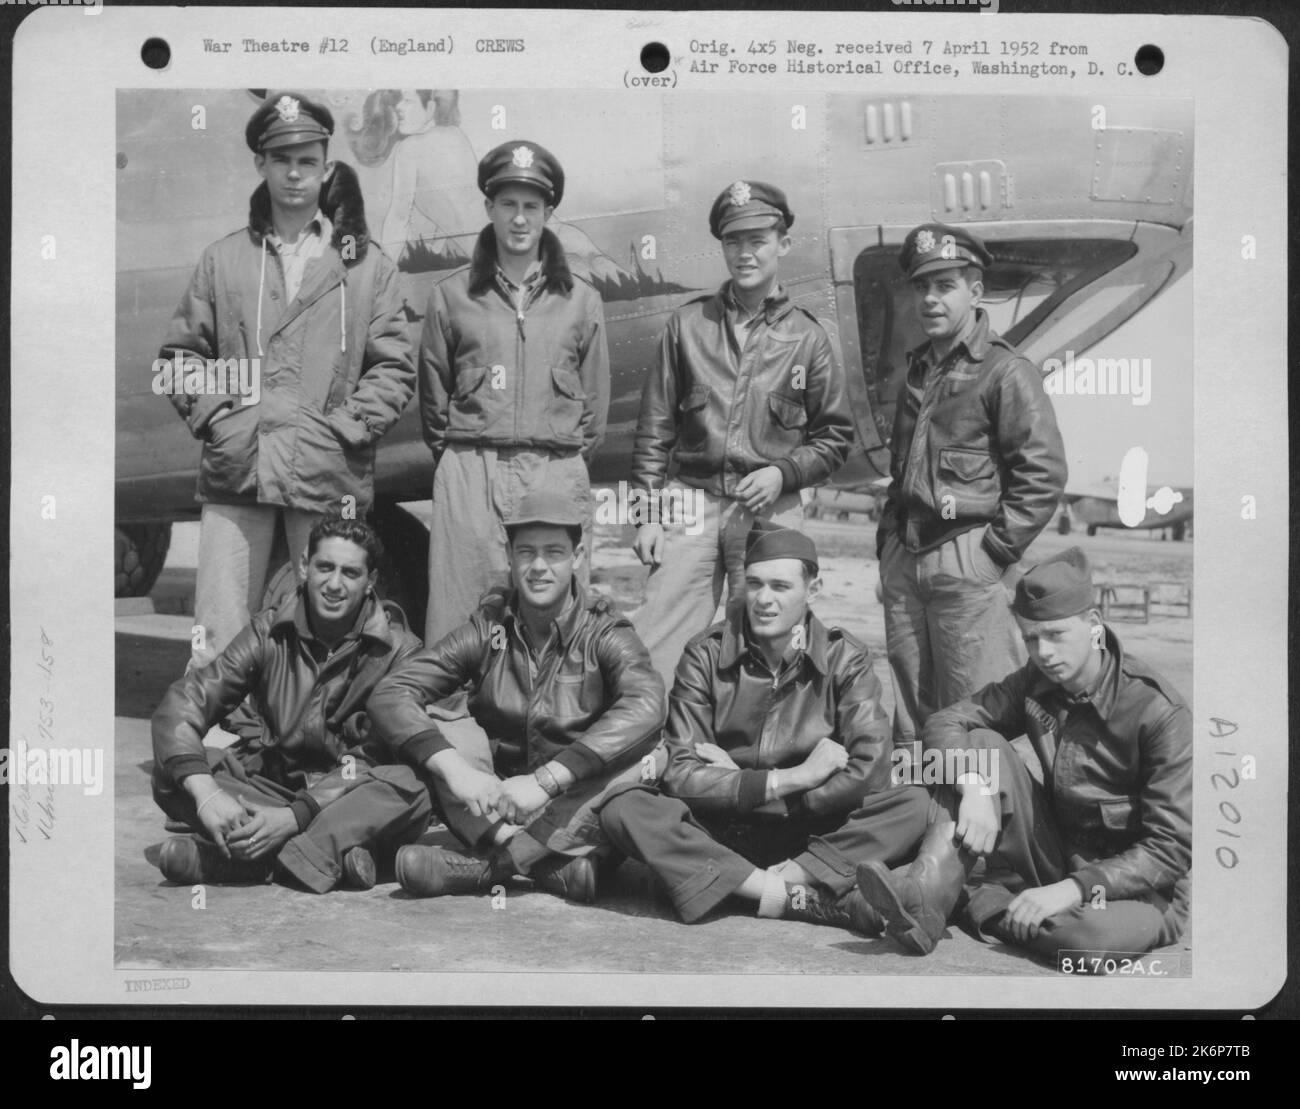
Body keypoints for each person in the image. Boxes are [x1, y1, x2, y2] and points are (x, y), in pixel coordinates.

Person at [159, 91, 415, 666]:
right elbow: (178, 357)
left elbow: (394, 366)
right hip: (238, 464)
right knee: (217, 631)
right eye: (281, 160)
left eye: (307, 161)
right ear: (261, 165)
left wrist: (343, 428)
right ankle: (214, 741)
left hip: (326, 467)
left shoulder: (367, 265)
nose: (294, 173)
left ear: (327, 168)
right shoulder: (223, 259)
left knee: (332, 624)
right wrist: (218, 416)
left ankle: (323, 744)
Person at [856, 548, 1191, 969]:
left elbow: (1170, 848)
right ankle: (932, 890)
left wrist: (1073, 889)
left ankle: (966, 900)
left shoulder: (1158, 712)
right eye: (1031, 638)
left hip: (1135, 888)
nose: (1043, 652)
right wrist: (972, 784)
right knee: (979, 742)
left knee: (1087, 942)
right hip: (1053, 853)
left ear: (1093, 627)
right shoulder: (1038, 680)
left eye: (1055, 634)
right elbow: (946, 721)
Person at [597, 521, 930, 930]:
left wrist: (757, 788)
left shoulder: (846, 659)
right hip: (721, 827)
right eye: (754, 584)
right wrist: (791, 778)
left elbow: (871, 770)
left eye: (780, 586)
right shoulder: (705, 654)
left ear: (813, 590)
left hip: (808, 833)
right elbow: (682, 773)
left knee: (912, 803)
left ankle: (762, 883)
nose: (763, 600)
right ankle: (800, 898)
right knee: (623, 805)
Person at [368, 491, 665, 903]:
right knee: (437, 724)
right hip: (498, 806)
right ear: (509, 556)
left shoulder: (605, 631)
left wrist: (547, 781)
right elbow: (392, 692)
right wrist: (459, 772)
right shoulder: (487, 626)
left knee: (651, 754)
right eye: (526, 552)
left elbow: (647, 706)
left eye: (553, 552)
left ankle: (495, 866)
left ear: (577, 556)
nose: (538, 566)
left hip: (575, 799)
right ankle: (547, 866)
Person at [631, 180, 855, 682]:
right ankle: (642, 751)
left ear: (783, 244)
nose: (744, 253)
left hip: (768, 509)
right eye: (733, 241)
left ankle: (746, 755)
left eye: (757, 240)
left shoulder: (808, 338)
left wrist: (784, 472)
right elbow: (654, 430)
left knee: (767, 644)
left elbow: (836, 437)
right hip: (689, 502)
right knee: (654, 643)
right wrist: (646, 516)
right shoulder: (687, 325)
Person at [151, 518, 432, 893]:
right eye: (325, 567)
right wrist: (207, 794)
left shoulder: (400, 650)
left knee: (411, 787)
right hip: (271, 789)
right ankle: (325, 855)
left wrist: (296, 816)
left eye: (350, 573)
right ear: (304, 566)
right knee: (174, 772)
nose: (334, 584)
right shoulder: (268, 631)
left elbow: (375, 755)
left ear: (371, 581)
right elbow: (188, 700)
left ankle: (252, 861)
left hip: (349, 797)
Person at [875, 222, 1067, 743]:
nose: (931, 299)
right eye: (922, 287)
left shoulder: (1006, 371)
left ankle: (992, 820)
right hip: (907, 558)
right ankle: (924, 819)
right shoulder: (917, 370)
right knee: (913, 719)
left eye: (946, 285)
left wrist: (993, 554)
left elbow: (1042, 473)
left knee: (978, 711)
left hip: (966, 556)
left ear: (976, 291)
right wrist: (888, 549)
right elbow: (900, 473)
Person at [417, 141, 610, 646]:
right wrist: (465, 458)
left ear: (548, 213)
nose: (519, 219)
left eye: (531, 206)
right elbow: (433, 402)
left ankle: (551, 713)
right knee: (459, 611)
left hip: (554, 465)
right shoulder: (451, 295)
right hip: (470, 467)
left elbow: (594, 409)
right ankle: (449, 717)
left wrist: (559, 461)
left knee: (553, 610)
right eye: (508, 205)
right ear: (489, 209)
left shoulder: (582, 302)